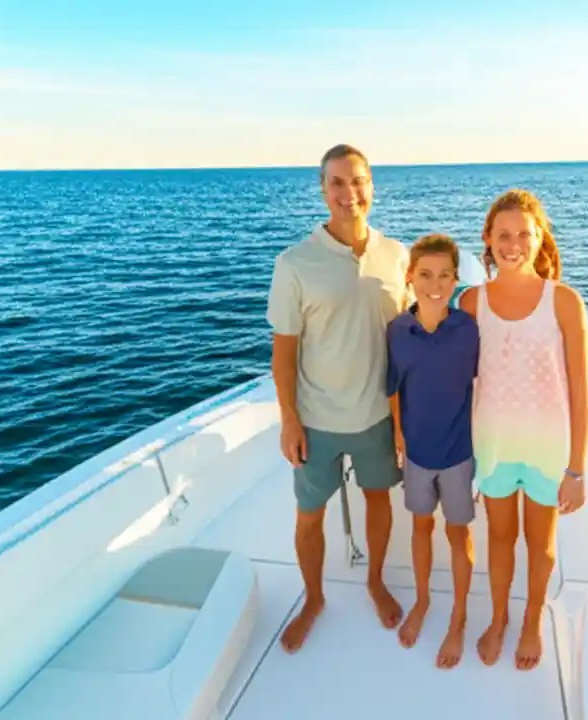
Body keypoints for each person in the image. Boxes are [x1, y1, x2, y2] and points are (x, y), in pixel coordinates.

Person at [266, 144, 409, 652]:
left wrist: (403, 420)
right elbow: (283, 354)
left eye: (358, 181)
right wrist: (289, 419)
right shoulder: (295, 263)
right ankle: (313, 597)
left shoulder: (397, 256)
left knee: (378, 500)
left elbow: (409, 341)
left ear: (372, 185)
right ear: (323, 190)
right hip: (316, 419)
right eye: (337, 183)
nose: (350, 194)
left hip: (375, 415)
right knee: (310, 515)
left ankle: (374, 580)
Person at [457, 188, 588, 671]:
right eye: (503, 235)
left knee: (542, 544)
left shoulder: (565, 301)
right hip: (492, 445)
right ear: (488, 241)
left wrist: (576, 468)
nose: (513, 244)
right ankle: (498, 618)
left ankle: (532, 619)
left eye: (524, 235)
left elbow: (580, 390)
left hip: (547, 448)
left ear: (540, 240)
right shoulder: (472, 302)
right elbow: (456, 379)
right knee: (499, 538)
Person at [386, 234, 479, 669]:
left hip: (459, 453)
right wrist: (399, 434)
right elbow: (394, 389)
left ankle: (458, 617)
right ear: (410, 278)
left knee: (458, 534)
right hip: (418, 455)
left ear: (457, 280)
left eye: (444, 275)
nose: (434, 283)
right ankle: (423, 600)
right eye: (425, 274)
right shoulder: (397, 331)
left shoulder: (469, 328)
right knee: (420, 528)